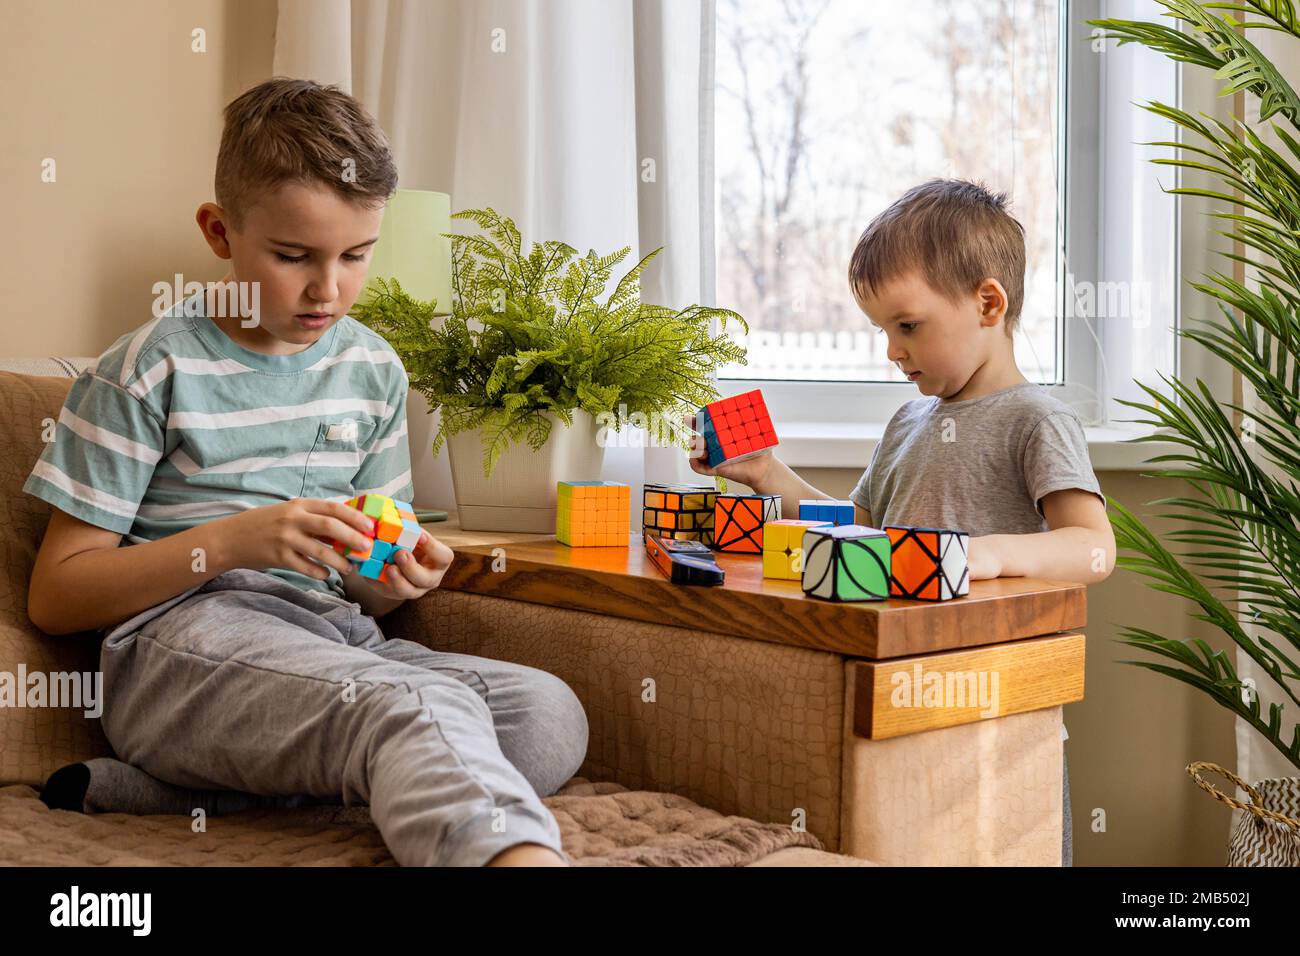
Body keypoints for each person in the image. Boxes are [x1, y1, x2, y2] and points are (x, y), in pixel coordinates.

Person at [25, 78, 586, 867]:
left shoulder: (373, 369)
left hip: (334, 640)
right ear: (220, 232)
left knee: (545, 711)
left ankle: (196, 796)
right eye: (294, 257)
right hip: (181, 650)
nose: (330, 288)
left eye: (356, 256)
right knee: (410, 705)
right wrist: (228, 545)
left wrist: (396, 576)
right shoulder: (148, 368)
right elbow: (56, 594)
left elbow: (365, 584)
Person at [690, 179, 1116, 866]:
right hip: (900, 687)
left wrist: (989, 555)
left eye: (907, 326)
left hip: (997, 708)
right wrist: (767, 475)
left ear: (987, 303)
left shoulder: (1037, 420)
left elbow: (1095, 549)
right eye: (883, 331)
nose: (892, 350)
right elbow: (860, 523)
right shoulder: (908, 421)